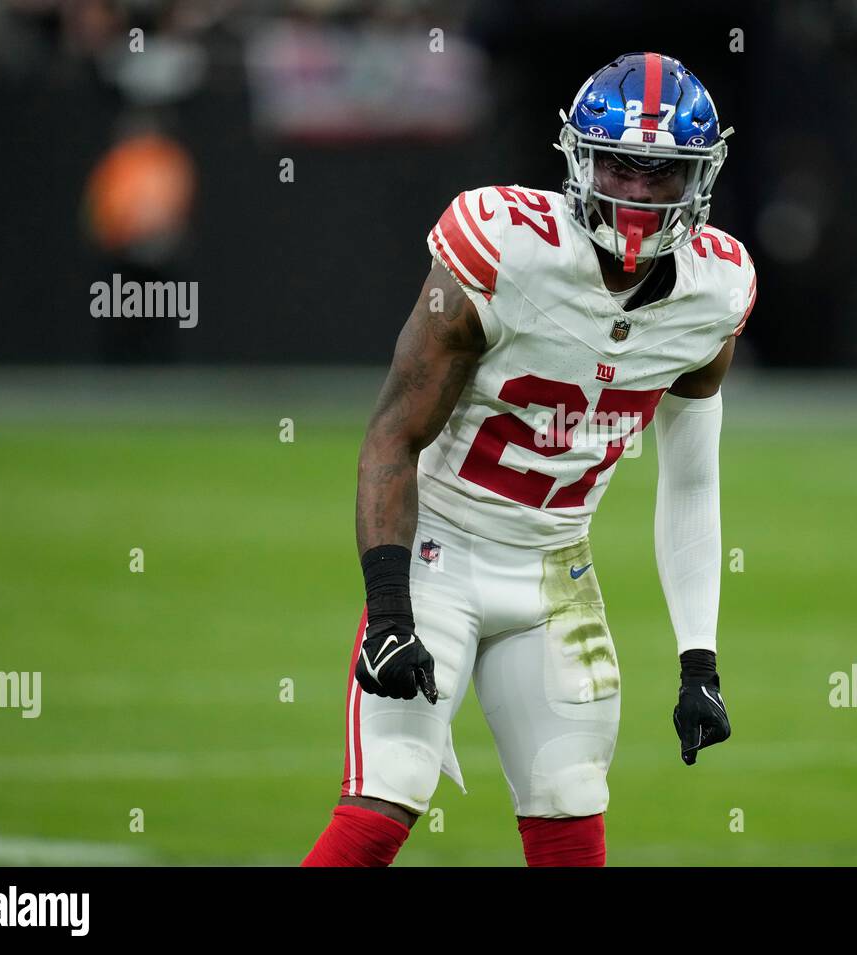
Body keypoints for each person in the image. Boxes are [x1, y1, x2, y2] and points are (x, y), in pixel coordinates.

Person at [302, 51, 757, 868]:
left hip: (556, 574)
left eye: (661, 173)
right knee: (386, 800)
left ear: (701, 178)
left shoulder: (712, 293)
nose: (637, 193)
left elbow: (691, 483)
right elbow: (392, 436)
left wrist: (700, 661)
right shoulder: (502, 246)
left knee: (571, 807)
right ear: (579, 159)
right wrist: (390, 609)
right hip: (440, 552)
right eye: (619, 164)